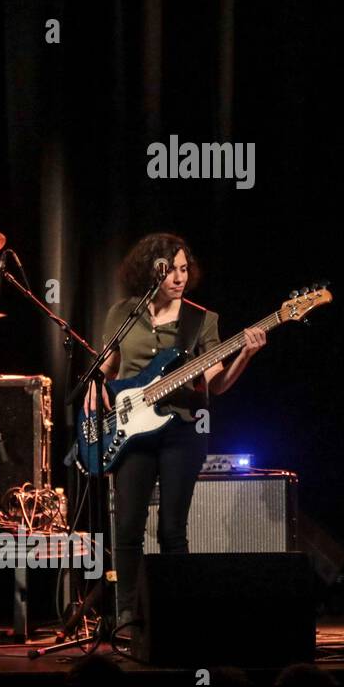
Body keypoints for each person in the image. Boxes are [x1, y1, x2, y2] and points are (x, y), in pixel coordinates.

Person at [85, 233, 265, 623]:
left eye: (184, 269)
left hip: (182, 430)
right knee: (128, 525)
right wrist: (94, 387)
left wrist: (245, 355)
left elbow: (216, 384)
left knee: (172, 529)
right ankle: (127, 616)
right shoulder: (122, 314)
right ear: (151, 272)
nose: (180, 278)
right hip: (130, 430)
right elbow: (108, 368)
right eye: (170, 271)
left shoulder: (202, 320)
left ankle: (175, 617)